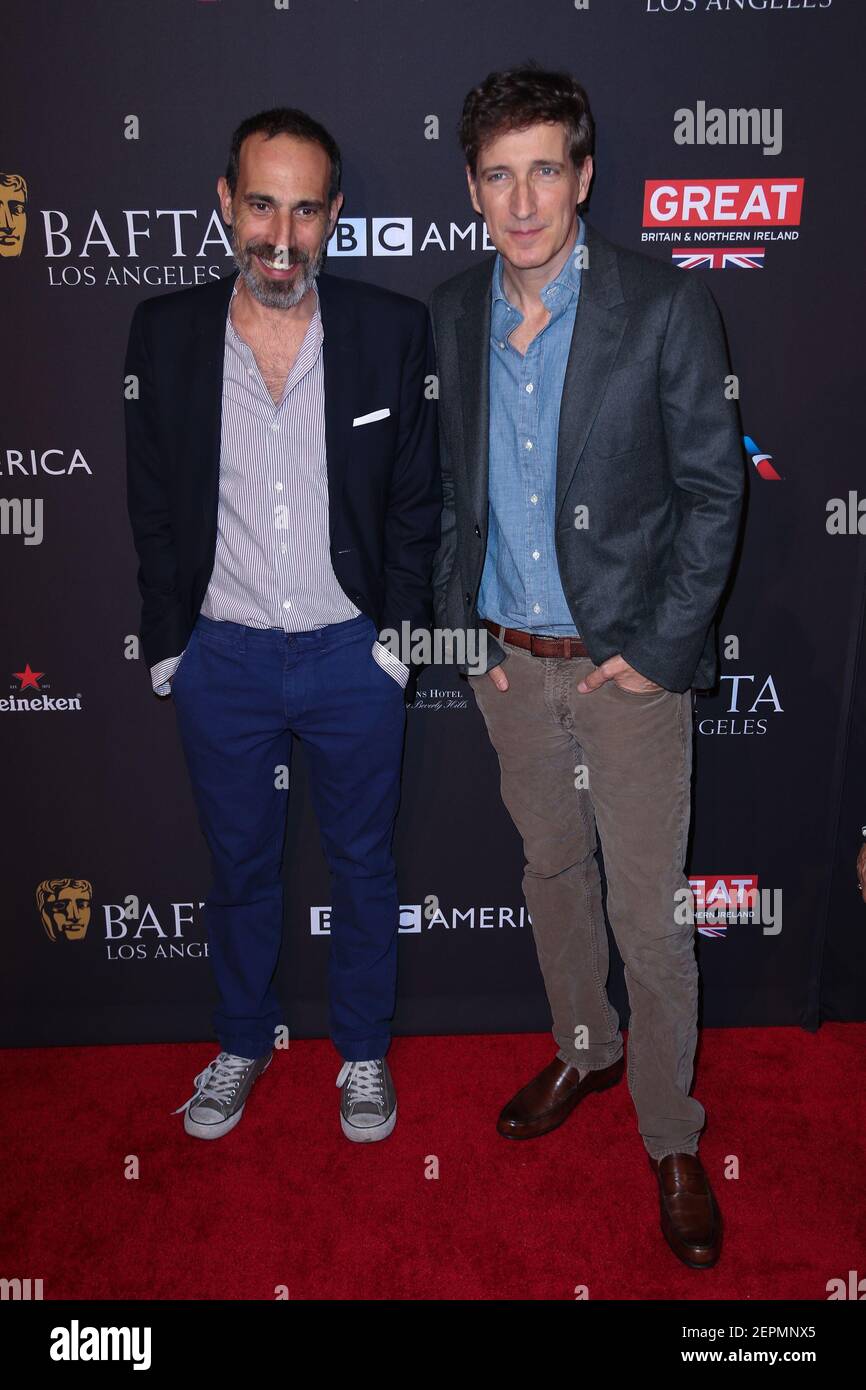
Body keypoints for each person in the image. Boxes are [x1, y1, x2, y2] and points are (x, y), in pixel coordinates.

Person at [431, 65, 744, 1267]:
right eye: (497, 176)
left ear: (584, 176)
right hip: (509, 667)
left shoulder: (661, 306)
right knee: (551, 875)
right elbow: (448, 496)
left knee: (648, 914)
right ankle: (584, 1047)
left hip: (625, 678)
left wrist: (658, 654)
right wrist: (465, 640)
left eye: (543, 170)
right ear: (470, 186)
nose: (521, 201)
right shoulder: (451, 312)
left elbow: (713, 492)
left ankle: (670, 1132)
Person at [124, 107, 440, 1144]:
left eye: (305, 210)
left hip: (353, 653)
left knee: (363, 866)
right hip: (225, 654)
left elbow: (412, 502)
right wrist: (173, 644)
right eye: (261, 203)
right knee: (239, 869)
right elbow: (154, 500)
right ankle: (240, 1040)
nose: (280, 234)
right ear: (225, 203)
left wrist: (396, 641)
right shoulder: (164, 333)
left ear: (333, 217)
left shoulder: (389, 331)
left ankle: (359, 1054)